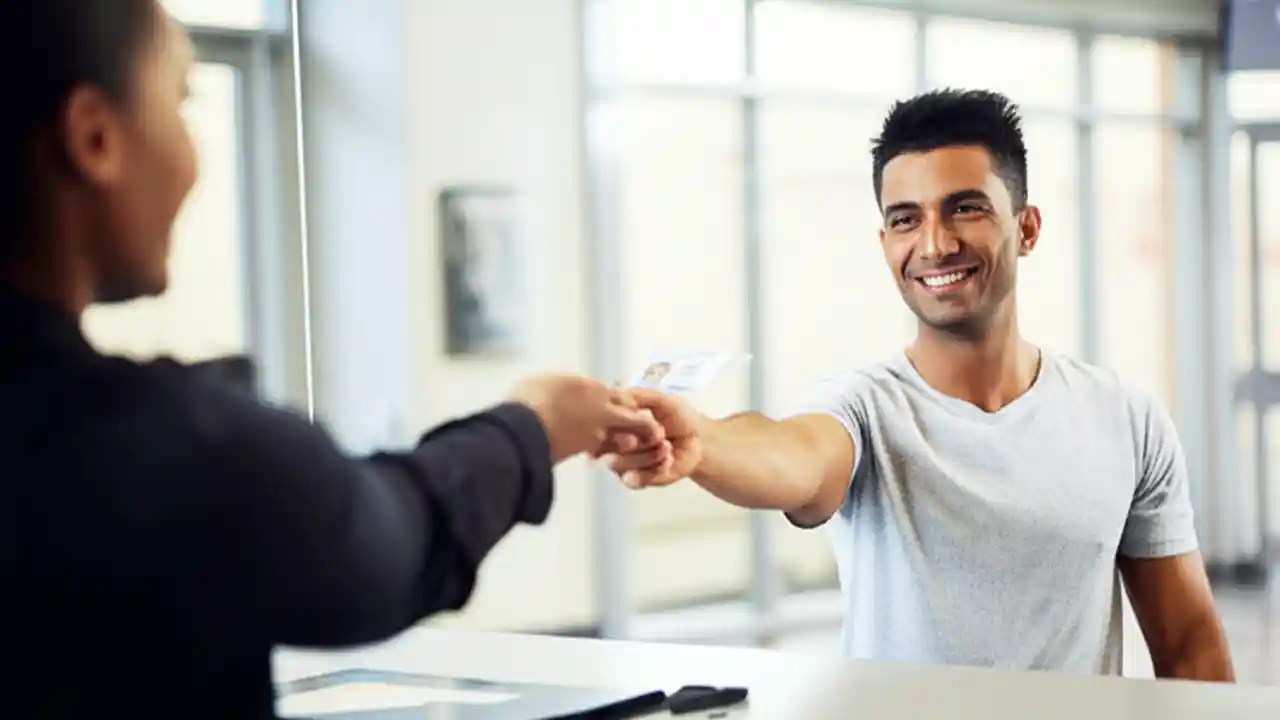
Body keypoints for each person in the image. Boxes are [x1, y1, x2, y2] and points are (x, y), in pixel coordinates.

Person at [0, 1, 661, 717]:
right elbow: (393, 544)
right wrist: (538, 423)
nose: (194, 158)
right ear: (94, 136)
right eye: (182, 101)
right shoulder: (154, 451)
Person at [603, 89, 1235, 681]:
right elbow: (791, 453)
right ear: (885, 244)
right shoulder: (863, 408)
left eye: (965, 208)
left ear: (1028, 228)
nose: (934, 243)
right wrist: (703, 442)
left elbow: (1189, 645)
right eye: (906, 220)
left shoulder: (1123, 416)